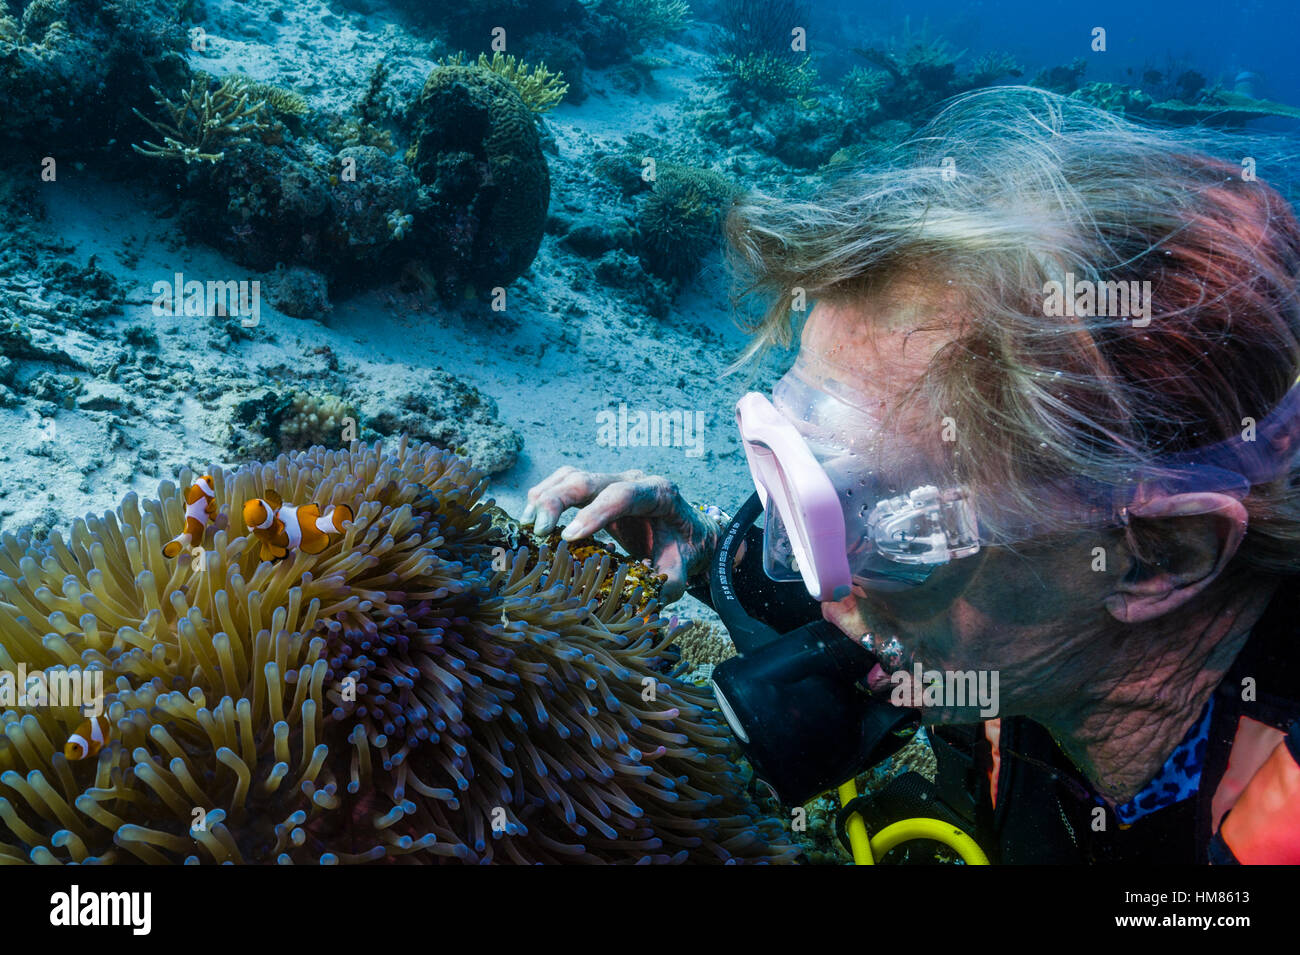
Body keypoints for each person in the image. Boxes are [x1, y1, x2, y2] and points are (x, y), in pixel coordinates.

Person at [522, 87, 1300, 864]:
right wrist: (702, 561)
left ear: (1161, 555)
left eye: (902, 527)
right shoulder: (1014, 640)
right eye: (811, 490)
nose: (816, 579)